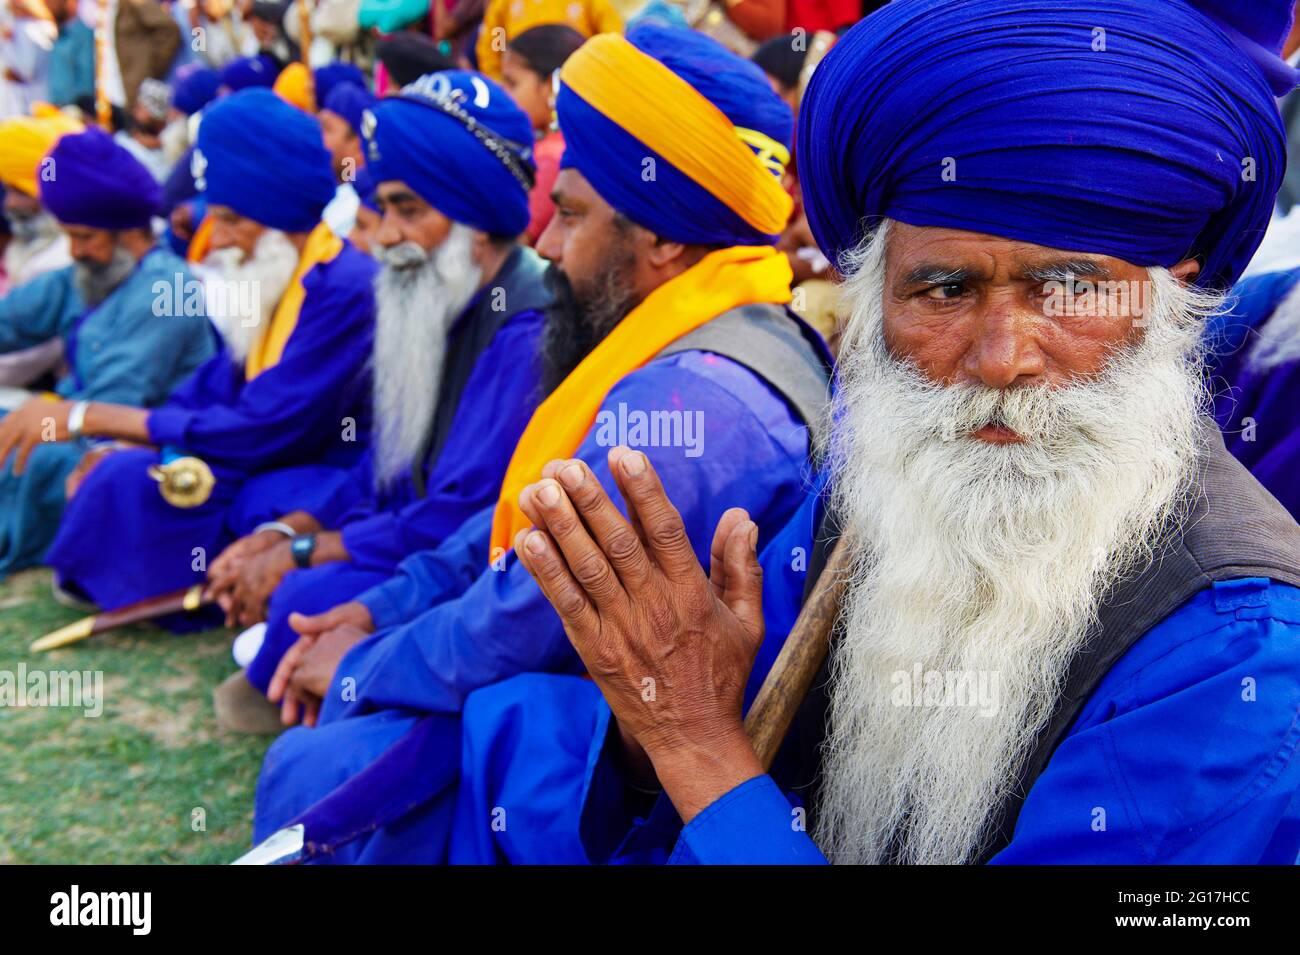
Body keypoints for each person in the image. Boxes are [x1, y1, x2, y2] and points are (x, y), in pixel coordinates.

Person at [499, 0, 1300, 866]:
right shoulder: (886, 487)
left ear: (1171, 303)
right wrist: (659, 720)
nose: (1000, 360)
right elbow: (694, 770)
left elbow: (710, 766)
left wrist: (698, 747)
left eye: (1069, 289)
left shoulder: (1242, 659)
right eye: (945, 290)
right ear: (873, 308)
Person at [249, 25, 830, 863]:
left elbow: (526, 620)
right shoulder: (701, 332)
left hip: (634, 774)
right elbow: (514, 522)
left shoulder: (692, 405)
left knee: (319, 766)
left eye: (571, 215)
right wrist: (381, 605)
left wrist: (365, 662)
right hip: (592, 703)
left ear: (662, 237)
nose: (549, 247)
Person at [207, 71, 553, 732]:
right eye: (381, 210)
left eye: (409, 211)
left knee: (309, 590)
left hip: (470, 571)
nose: (385, 234)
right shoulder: (443, 293)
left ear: (477, 223)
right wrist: (290, 533)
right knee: (273, 520)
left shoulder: (523, 327)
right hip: (417, 540)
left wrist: (307, 553)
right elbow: (385, 464)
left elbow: (464, 516)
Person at [42, 88, 376, 623]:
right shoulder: (279, 273)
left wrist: (96, 416)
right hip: (262, 452)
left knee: (238, 500)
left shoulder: (344, 286)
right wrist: (115, 436)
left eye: (230, 221)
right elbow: (217, 384)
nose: (216, 240)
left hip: (319, 470)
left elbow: (270, 425)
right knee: (124, 472)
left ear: (275, 217)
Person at [0, 127, 215, 579]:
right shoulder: (86, 274)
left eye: (85, 237)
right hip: (76, 426)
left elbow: (113, 402)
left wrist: (43, 416)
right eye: (71, 237)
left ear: (129, 232)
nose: (76, 251)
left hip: (133, 448)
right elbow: (13, 320)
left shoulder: (166, 289)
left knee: (35, 451)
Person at [497, 23, 585, 243]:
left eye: (512, 83)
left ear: (550, 86)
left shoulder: (551, 158)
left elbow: (511, 245)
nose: (503, 93)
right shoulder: (568, 145)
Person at [475, 0, 621, 82]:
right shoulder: (504, 4)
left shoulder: (592, 3)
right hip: (522, 86)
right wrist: (500, 79)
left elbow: (612, 38)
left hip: (576, 80)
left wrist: (595, 78)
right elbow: (495, 39)